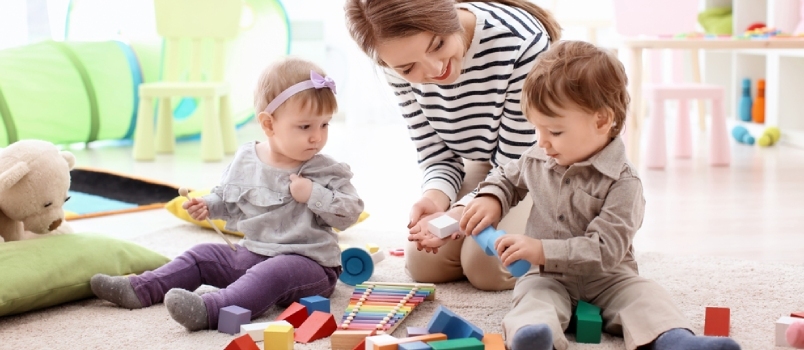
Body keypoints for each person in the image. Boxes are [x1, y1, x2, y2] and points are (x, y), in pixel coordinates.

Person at [458, 41, 741, 350]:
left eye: (554, 131)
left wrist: (540, 250)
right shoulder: (539, 156)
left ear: (602, 121)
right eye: (536, 129)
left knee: (646, 296)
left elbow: (605, 250)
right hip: (548, 276)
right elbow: (507, 176)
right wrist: (492, 198)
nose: (542, 142)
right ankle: (534, 337)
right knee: (532, 297)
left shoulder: (624, 182)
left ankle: (675, 341)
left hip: (610, 277)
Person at [89, 58, 364, 331]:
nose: (318, 137)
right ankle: (140, 288)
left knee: (272, 273)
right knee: (202, 255)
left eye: (325, 125)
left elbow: (350, 212)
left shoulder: (325, 169)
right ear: (268, 125)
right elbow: (228, 198)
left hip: (309, 266)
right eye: (306, 127)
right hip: (253, 253)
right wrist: (208, 205)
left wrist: (313, 193)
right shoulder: (247, 158)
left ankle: (212, 309)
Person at [344, 0, 561, 291]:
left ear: (448, 16)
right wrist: (436, 198)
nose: (435, 70)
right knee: (424, 263)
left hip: (535, 165)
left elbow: (515, 162)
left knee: (489, 267)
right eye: (408, 68)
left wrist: (460, 213)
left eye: (437, 45)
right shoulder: (394, 63)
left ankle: (566, 233)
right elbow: (437, 154)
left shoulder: (519, 41)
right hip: (486, 162)